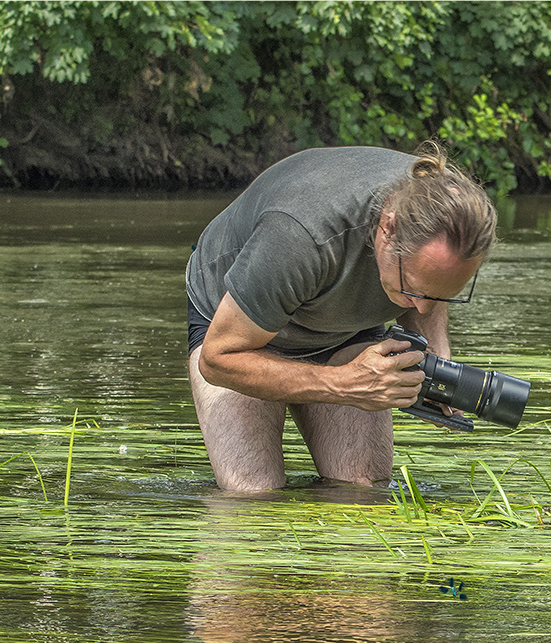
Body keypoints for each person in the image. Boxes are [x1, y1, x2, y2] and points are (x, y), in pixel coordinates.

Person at [185, 140, 496, 492]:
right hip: (237, 335)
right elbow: (218, 360)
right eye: (411, 288)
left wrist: (437, 357)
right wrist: (344, 384)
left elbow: (429, 287)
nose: (420, 308)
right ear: (388, 230)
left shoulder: (448, 213)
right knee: (254, 496)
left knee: (362, 490)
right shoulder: (301, 236)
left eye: (441, 293)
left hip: (343, 326)